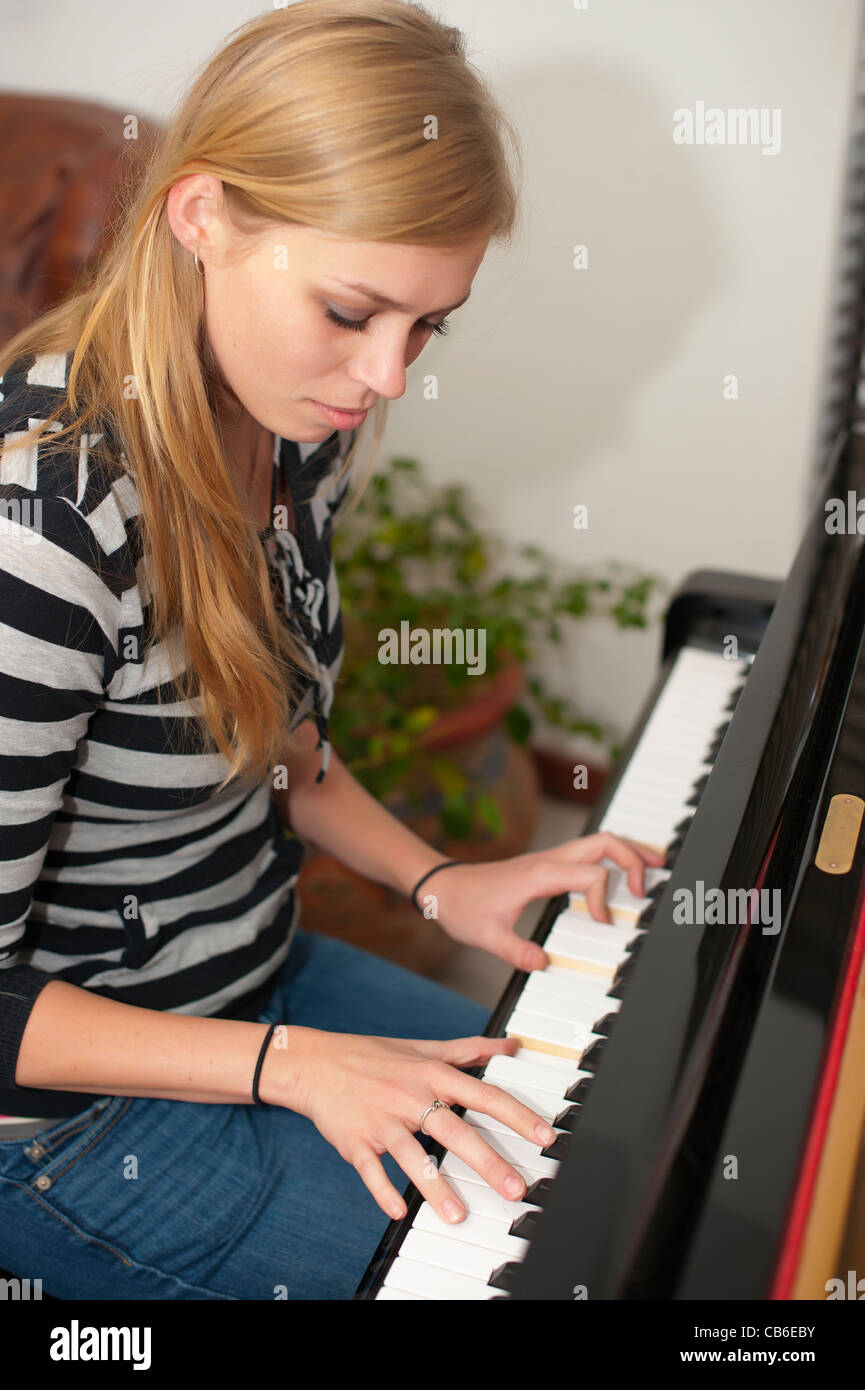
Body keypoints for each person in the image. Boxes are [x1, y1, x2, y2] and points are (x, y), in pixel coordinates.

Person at [0, 0, 663, 1300]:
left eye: (429, 324)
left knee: (605, 1148)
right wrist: (293, 1066)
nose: (389, 375)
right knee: (550, 1267)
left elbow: (271, 744)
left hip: (251, 975)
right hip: (70, 1123)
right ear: (203, 216)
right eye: (354, 310)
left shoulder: (290, 427)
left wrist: (438, 883)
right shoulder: (45, 534)